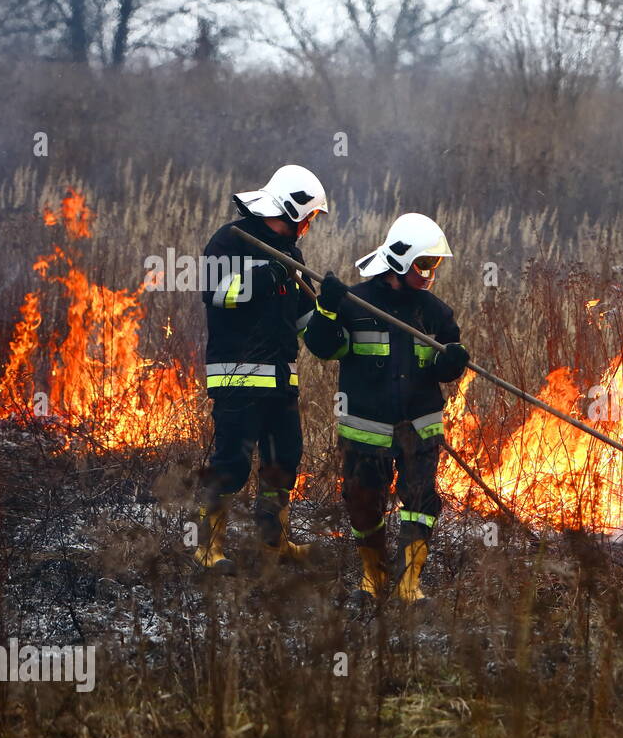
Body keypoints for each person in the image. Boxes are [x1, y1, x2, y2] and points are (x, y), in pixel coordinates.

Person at [303, 213, 469, 604]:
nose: (431, 273)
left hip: (419, 427)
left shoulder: (436, 313)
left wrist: (452, 362)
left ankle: (410, 584)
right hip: (365, 430)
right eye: (424, 264)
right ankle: (373, 577)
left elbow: (445, 365)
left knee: (421, 501)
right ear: (399, 260)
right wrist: (327, 309)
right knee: (363, 502)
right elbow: (322, 348)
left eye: (436, 265)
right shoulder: (354, 304)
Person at [192, 164, 328, 572]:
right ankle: (207, 547)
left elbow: (305, 322)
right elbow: (217, 293)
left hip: (281, 379)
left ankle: (275, 542)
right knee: (231, 462)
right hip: (236, 375)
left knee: (284, 459)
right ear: (289, 209)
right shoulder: (230, 240)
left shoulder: (291, 255)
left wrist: (333, 312)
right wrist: (267, 274)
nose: (307, 226)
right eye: (307, 218)